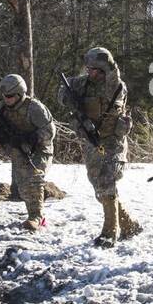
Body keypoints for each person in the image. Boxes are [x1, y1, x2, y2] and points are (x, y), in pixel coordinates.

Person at [59, 47, 139, 246]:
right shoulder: (81, 83)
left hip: (113, 140)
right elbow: (62, 92)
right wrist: (67, 98)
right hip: (91, 140)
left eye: (97, 69)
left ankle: (110, 232)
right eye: (89, 69)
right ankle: (129, 224)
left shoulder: (115, 85)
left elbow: (113, 77)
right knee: (99, 186)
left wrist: (109, 66)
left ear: (106, 68)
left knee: (106, 179)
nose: (92, 73)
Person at [0, 74, 55, 231]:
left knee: (34, 178)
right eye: (4, 96)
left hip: (40, 148)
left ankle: (37, 217)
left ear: (19, 94)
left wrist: (30, 139)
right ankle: (34, 211)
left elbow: (49, 132)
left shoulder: (34, 108)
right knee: (23, 185)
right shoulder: (1, 109)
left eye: (9, 96)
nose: (6, 99)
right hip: (18, 149)